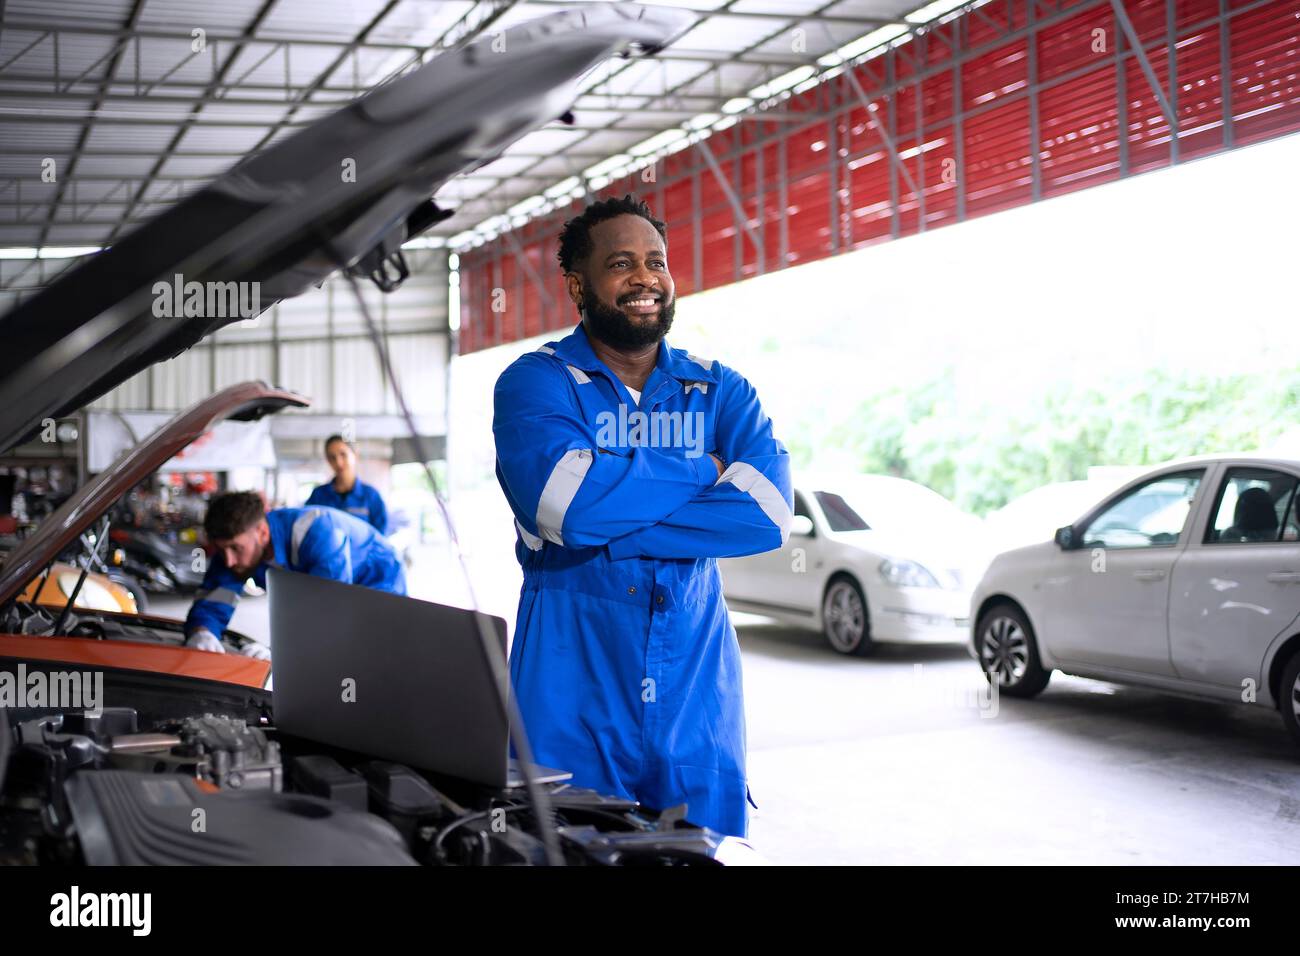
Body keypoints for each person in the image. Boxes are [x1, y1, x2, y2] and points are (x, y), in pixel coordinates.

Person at [492, 194, 792, 838]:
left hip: (695, 691)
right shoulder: (537, 381)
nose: (645, 278)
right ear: (578, 284)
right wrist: (704, 471)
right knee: (560, 848)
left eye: (656, 261)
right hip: (570, 684)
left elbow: (766, 514)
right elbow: (562, 503)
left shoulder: (720, 389)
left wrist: (612, 515)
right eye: (621, 263)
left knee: (696, 851)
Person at [183, 491, 407, 657]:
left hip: (379, 578)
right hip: (332, 586)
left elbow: (328, 608)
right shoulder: (237, 549)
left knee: (369, 651)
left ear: (261, 532)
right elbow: (215, 598)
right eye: (222, 550)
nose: (229, 560)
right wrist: (202, 632)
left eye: (235, 548)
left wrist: (282, 651)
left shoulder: (319, 533)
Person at [306, 435, 389, 534]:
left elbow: (381, 539)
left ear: (355, 455)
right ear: (328, 460)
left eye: (343, 454)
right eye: (332, 457)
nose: (338, 462)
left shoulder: (371, 496)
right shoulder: (318, 496)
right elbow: (307, 530)